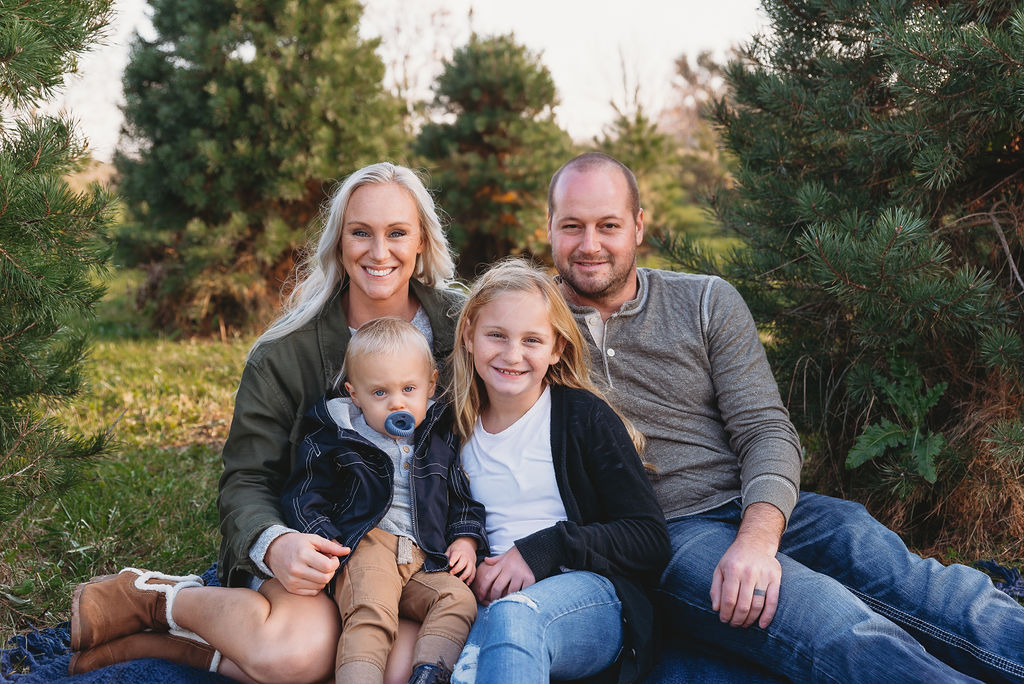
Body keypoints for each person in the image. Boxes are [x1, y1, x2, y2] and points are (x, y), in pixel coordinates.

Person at [544, 151, 1024, 683]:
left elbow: (766, 429)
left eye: (608, 225)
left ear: (638, 225)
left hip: (765, 507)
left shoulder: (704, 300)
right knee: (837, 628)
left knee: (927, 586)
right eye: (573, 226)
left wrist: (756, 538)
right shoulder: (529, 325)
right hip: (670, 535)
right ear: (549, 229)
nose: (590, 245)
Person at [67, 162, 464, 684]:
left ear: (421, 243)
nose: (378, 251)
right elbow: (246, 480)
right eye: (360, 232)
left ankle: (178, 647)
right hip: (315, 551)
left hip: (414, 559)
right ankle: (161, 600)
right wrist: (275, 543)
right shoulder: (285, 353)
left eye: (397, 233)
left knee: (397, 670)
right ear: (339, 243)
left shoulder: (462, 330)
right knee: (297, 655)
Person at [445, 260, 671, 684]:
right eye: (497, 335)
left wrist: (544, 549)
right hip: (481, 606)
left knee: (516, 618)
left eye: (532, 340)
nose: (512, 355)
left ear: (557, 349)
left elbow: (649, 537)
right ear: (469, 335)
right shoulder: (448, 429)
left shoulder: (582, 419)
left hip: (586, 600)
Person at [279, 316, 486, 684]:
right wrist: (325, 538)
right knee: (371, 612)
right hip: (369, 547)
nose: (396, 403)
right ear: (354, 394)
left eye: (409, 389)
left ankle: (431, 672)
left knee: (459, 600)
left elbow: (460, 496)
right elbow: (304, 492)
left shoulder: (439, 438)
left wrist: (466, 539)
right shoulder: (338, 437)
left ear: (430, 385)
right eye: (379, 393)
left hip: (426, 555)